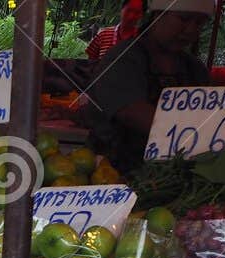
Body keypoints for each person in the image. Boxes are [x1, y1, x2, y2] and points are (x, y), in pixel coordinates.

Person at [82, 0, 213, 172]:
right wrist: (200, 136)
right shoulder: (124, 58)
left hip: (170, 175)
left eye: (199, 23)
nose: (190, 30)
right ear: (158, 15)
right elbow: (132, 113)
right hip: (112, 172)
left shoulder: (194, 68)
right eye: (184, 19)